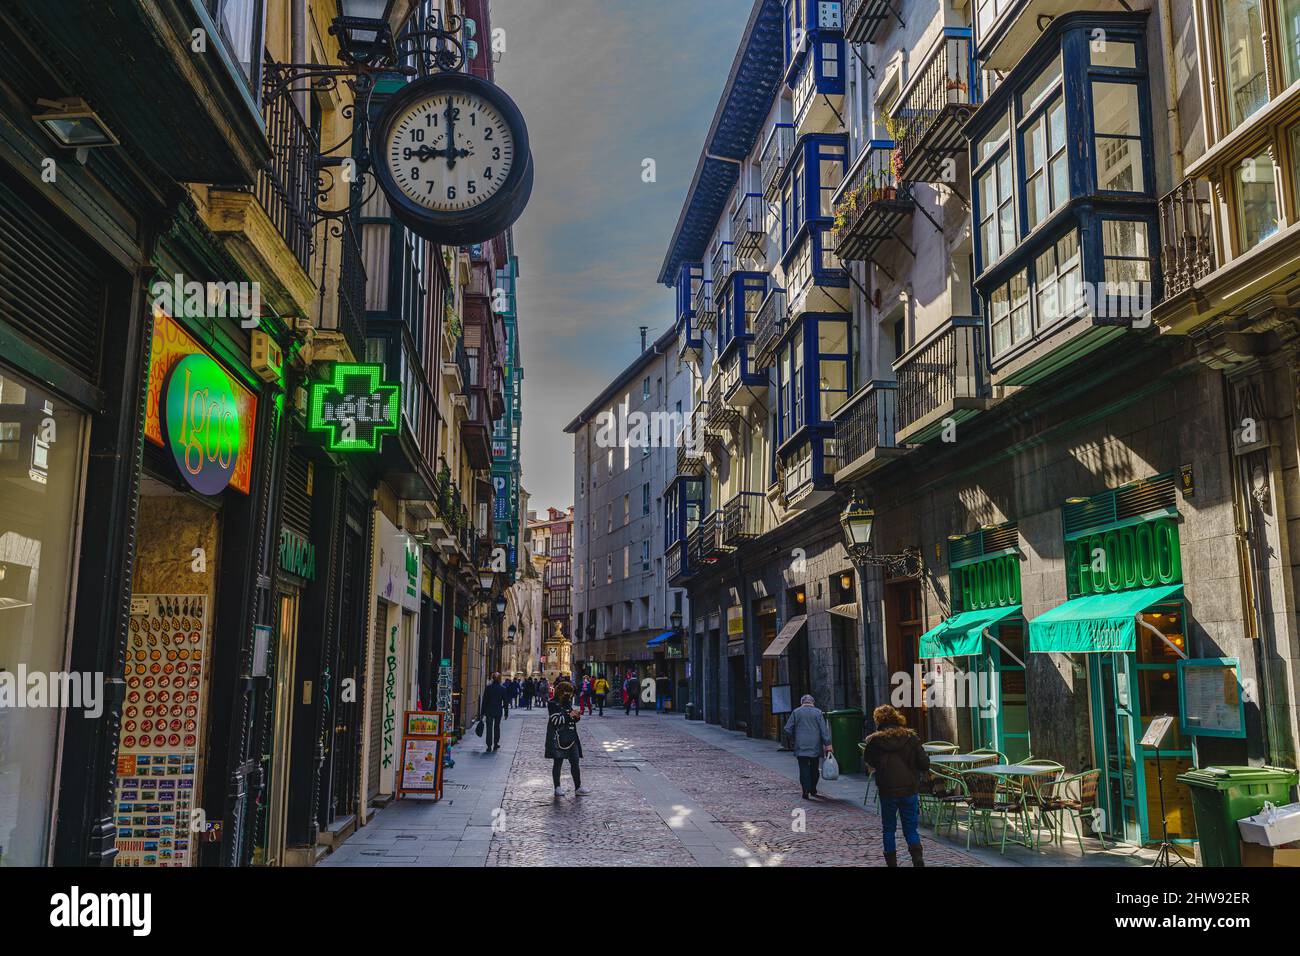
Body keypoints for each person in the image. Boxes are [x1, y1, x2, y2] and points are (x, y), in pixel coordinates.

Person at [863, 704, 930, 867]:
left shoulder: (874, 740)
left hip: (887, 789)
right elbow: (924, 763)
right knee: (911, 829)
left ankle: (892, 863)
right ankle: (917, 858)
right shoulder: (911, 737)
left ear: (878, 720)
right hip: (909, 788)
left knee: (889, 828)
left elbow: (869, 761)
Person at [783, 694, 833, 800]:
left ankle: (805, 789)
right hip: (815, 745)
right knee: (814, 768)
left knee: (803, 767)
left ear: (802, 703)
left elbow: (787, 729)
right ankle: (813, 788)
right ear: (812, 702)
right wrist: (828, 744)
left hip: (800, 745)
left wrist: (793, 738)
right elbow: (824, 731)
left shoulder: (796, 712)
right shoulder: (818, 712)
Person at [546, 680, 590, 796]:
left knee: (575, 761)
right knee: (558, 762)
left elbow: (570, 719)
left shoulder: (567, 703)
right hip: (559, 737)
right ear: (562, 692)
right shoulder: (553, 703)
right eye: (568, 693)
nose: (570, 695)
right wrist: (569, 715)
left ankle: (578, 786)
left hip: (571, 737)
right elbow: (555, 720)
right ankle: (557, 787)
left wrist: (576, 716)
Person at [479, 672, 509, 753]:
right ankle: (495, 743)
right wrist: (506, 713)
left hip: (489, 711)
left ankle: (489, 745)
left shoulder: (488, 688)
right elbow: (505, 702)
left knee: (489, 728)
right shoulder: (503, 688)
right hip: (498, 711)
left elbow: (484, 701)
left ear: (492, 678)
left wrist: (482, 713)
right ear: (499, 679)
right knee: (497, 727)